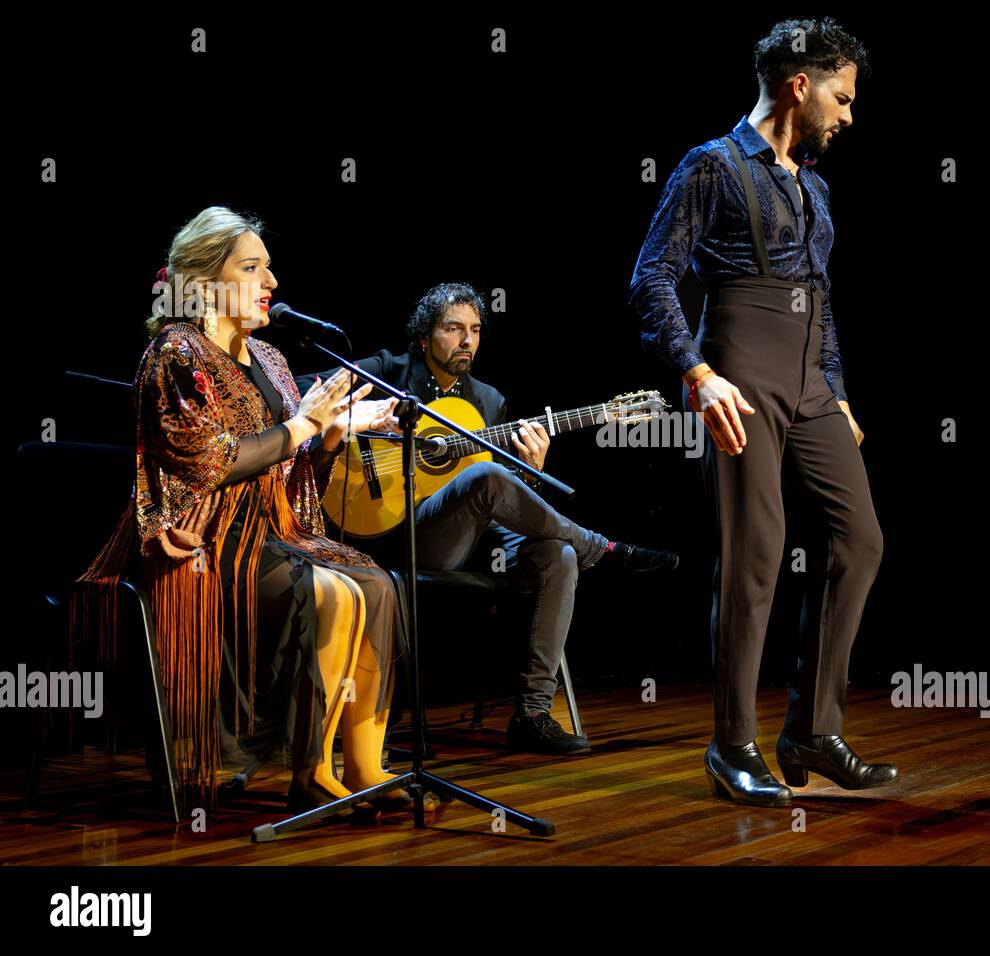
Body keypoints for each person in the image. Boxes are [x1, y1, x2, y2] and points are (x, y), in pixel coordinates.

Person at [627, 18, 899, 805]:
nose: (849, 116)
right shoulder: (711, 166)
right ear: (799, 84)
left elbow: (822, 299)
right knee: (757, 555)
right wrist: (698, 374)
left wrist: (838, 391)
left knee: (862, 539)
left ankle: (812, 729)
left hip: (810, 375)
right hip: (740, 365)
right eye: (842, 98)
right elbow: (652, 279)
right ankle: (731, 745)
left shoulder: (813, 184)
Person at [77, 206, 419, 813]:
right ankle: (310, 770)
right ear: (207, 282)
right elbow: (209, 461)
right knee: (332, 591)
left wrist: (328, 437)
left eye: (270, 269)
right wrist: (302, 425)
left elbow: (293, 477)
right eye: (254, 268)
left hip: (270, 533)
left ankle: (365, 767)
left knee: (378, 582)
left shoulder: (273, 361)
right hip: (206, 543)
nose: (272, 284)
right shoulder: (175, 353)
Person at [296, 282, 679, 755]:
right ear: (424, 336)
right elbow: (300, 394)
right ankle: (602, 548)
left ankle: (533, 714)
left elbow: (503, 503)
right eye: (453, 328)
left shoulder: (489, 402)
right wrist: (360, 416)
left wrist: (532, 474)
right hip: (394, 537)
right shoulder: (386, 372)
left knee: (556, 554)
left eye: (475, 330)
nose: (467, 341)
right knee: (487, 479)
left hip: (468, 543)